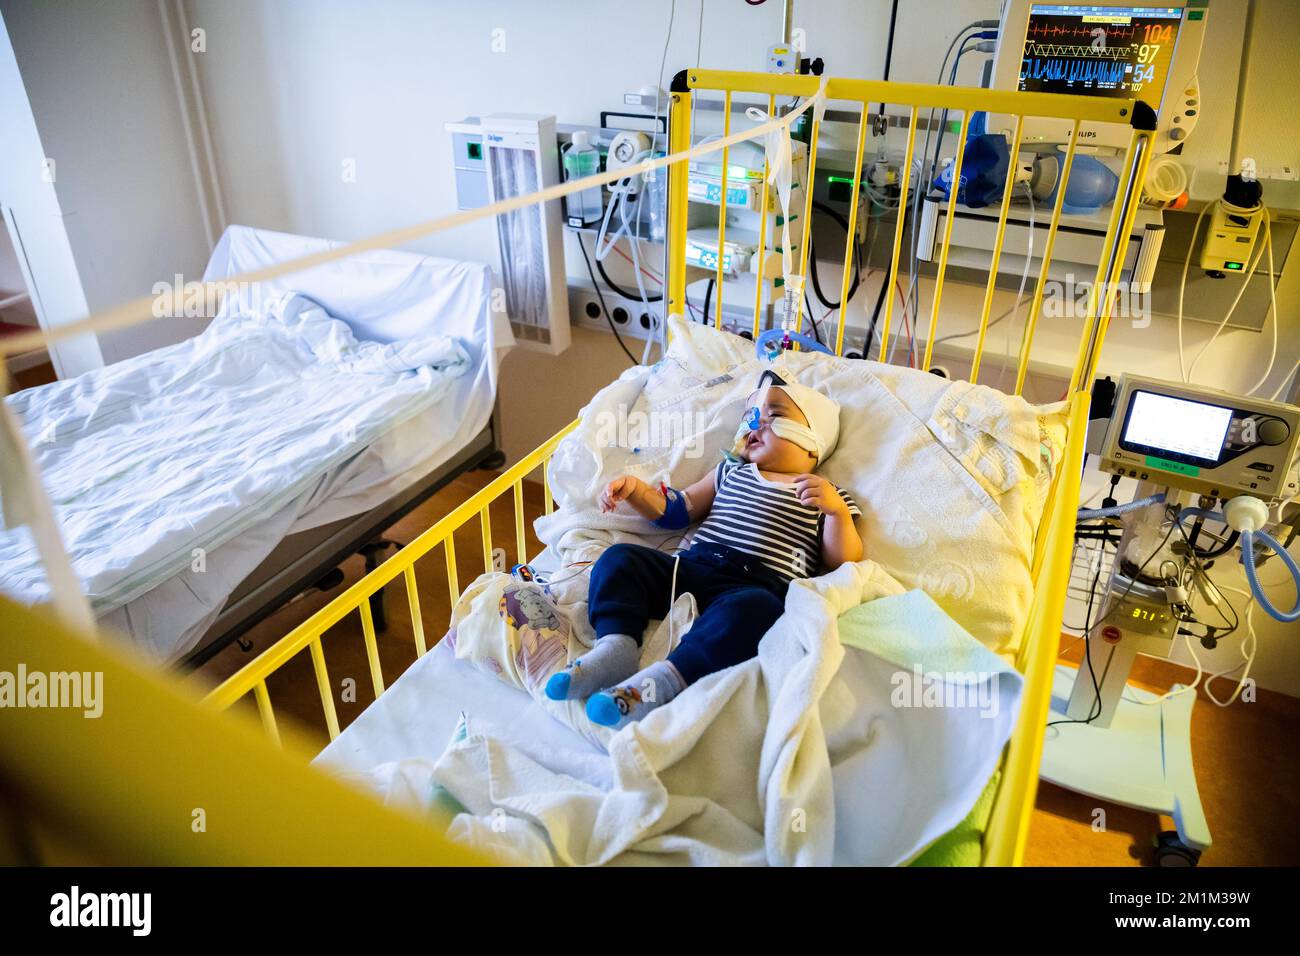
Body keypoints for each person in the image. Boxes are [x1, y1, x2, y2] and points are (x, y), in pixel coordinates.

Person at [546, 373, 863, 727]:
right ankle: (616, 646)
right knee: (620, 560)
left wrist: (836, 513)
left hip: (755, 586)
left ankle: (662, 681)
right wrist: (637, 492)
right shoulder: (730, 471)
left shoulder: (825, 494)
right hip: (691, 567)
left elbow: (843, 561)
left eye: (774, 415)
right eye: (749, 416)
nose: (754, 424)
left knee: (760, 611)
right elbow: (680, 508)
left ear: (812, 442)